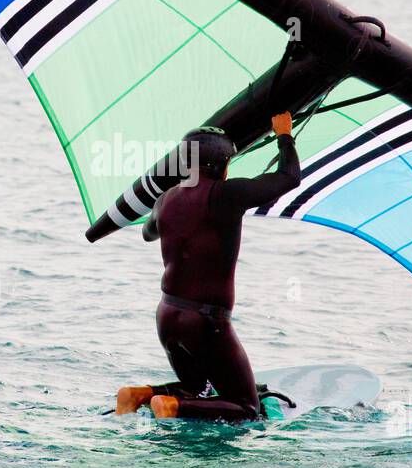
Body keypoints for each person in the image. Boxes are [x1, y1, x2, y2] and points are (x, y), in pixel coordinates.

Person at [117, 112, 300, 421]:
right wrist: (284, 135)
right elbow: (289, 177)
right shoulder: (227, 195)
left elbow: (148, 233)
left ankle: (138, 395)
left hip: (167, 317)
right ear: (222, 165)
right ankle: (170, 406)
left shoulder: (166, 200)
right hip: (205, 323)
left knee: (196, 387)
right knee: (247, 407)